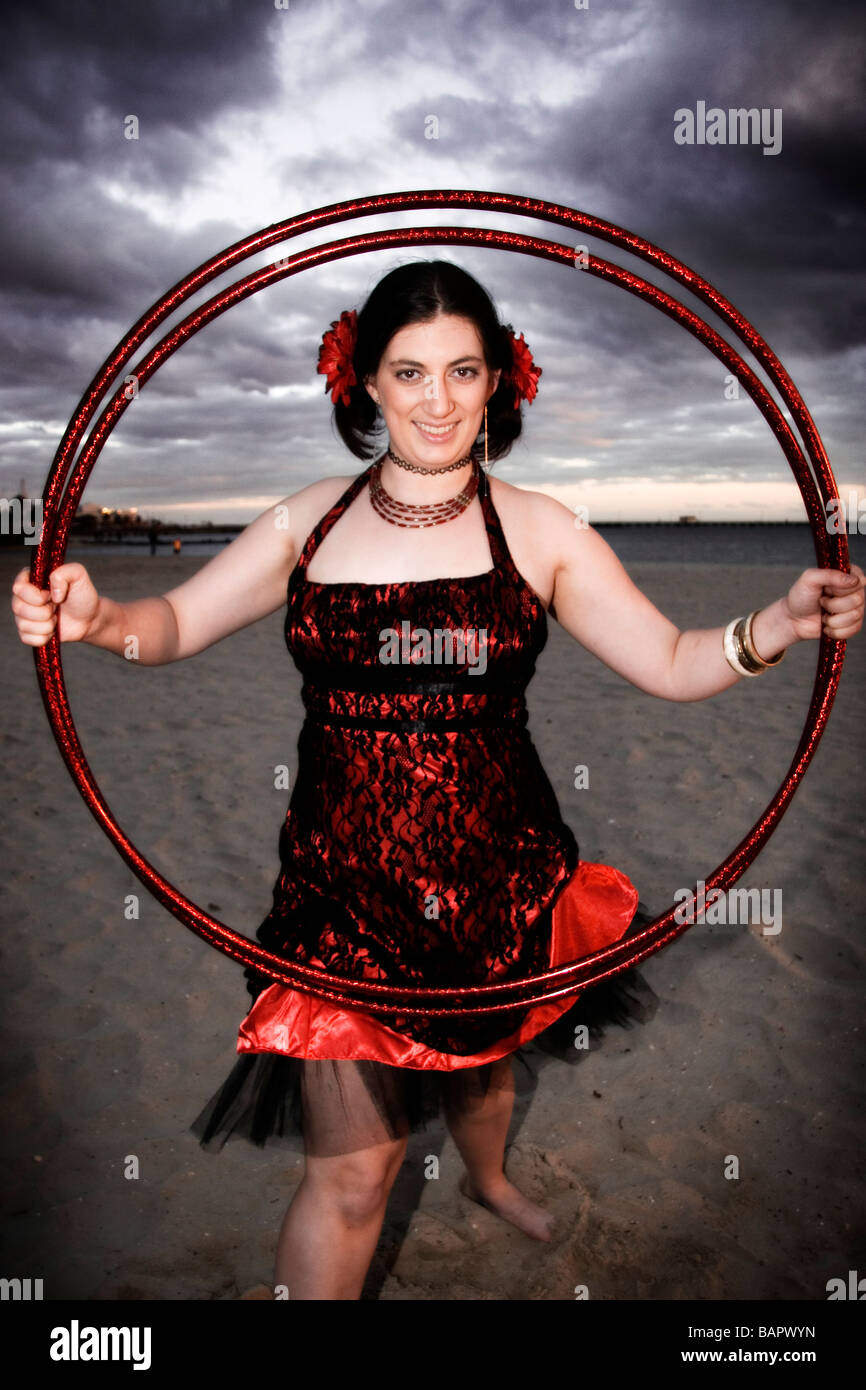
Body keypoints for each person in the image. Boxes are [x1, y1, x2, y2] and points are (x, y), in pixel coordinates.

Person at [11, 259, 865, 1302]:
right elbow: (177, 622)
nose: (437, 400)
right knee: (356, 1170)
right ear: (361, 380)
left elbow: (671, 662)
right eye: (408, 372)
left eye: (463, 371)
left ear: (500, 380)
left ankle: (488, 1176)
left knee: (487, 1057)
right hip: (342, 887)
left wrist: (772, 624)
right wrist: (99, 623)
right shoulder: (308, 521)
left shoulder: (541, 528)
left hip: (498, 867)